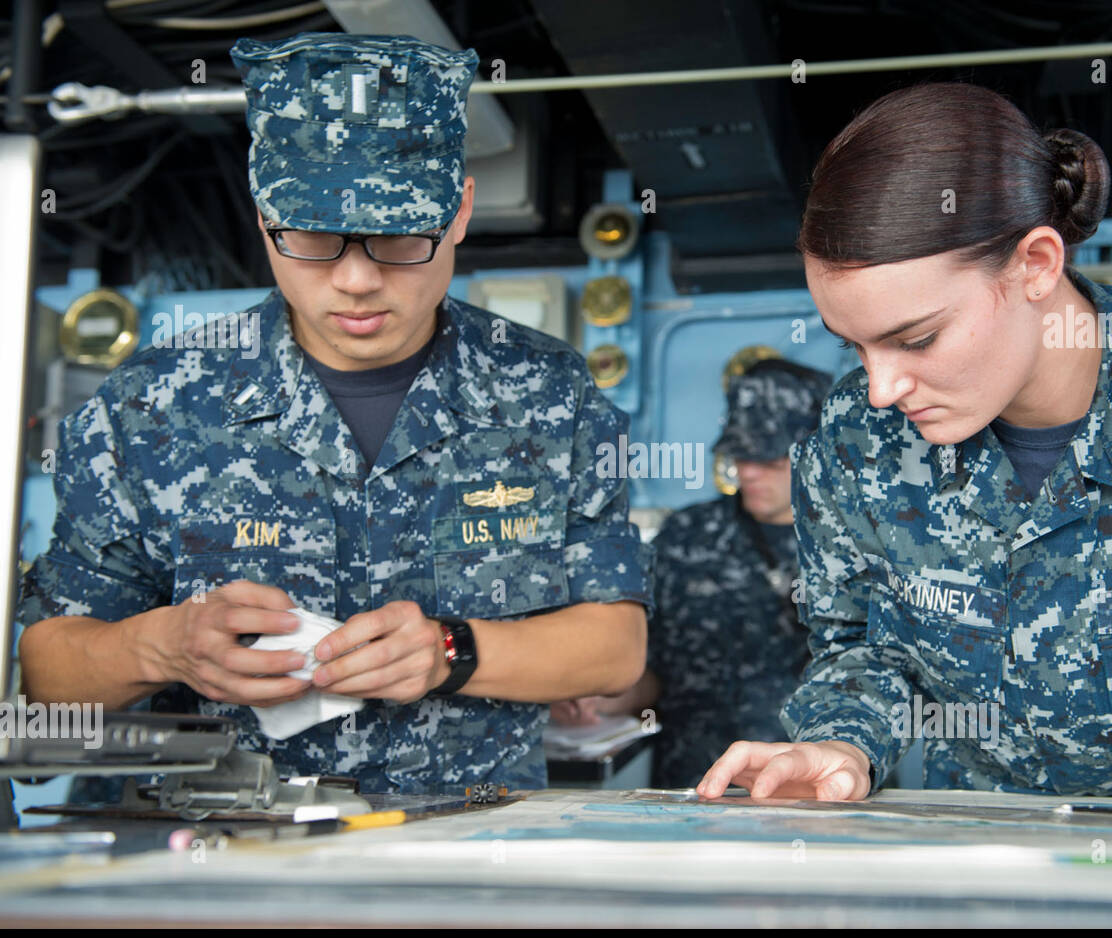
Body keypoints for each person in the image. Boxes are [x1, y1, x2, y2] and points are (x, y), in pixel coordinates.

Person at [17, 32, 651, 796]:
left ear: (458, 212)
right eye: (312, 237)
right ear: (263, 218)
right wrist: (164, 647)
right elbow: (50, 677)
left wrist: (453, 652)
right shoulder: (151, 402)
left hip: (460, 851)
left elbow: (615, 646)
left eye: (395, 236)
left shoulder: (550, 393)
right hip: (206, 857)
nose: (355, 279)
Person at [698, 81, 1112, 802]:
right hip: (983, 860)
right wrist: (841, 740)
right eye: (853, 346)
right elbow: (859, 645)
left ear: (1036, 265)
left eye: (915, 338)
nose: (882, 387)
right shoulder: (858, 436)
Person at [552, 359, 831, 788]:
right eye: (741, 452)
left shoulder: (853, 546)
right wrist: (605, 698)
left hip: (813, 790)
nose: (749, 470)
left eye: (770, 457)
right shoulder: (688, 535)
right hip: (693, 787)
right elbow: (653, 672)